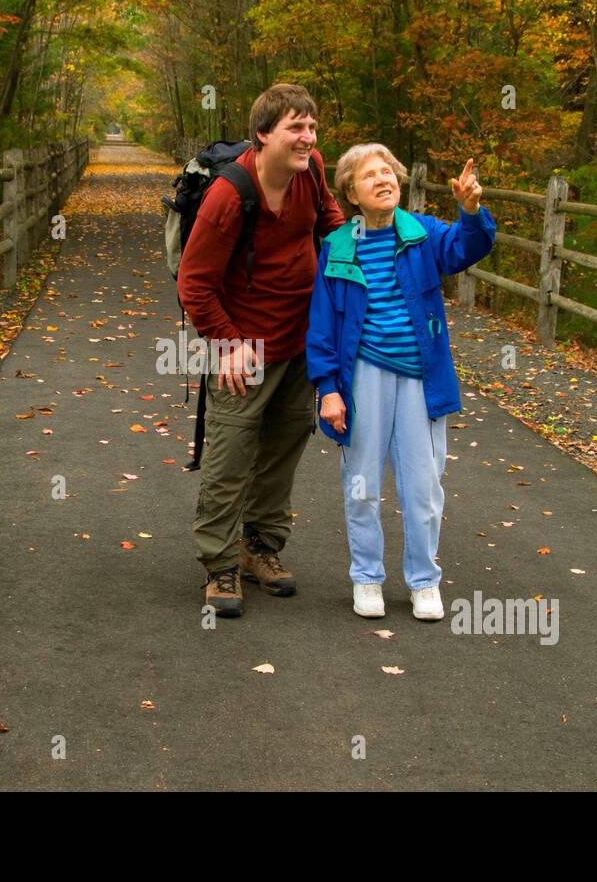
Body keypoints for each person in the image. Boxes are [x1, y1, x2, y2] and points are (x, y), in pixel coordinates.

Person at [177, 84, 346, 618]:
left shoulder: (312, 170)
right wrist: (226, 344)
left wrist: (363, 268)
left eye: (312, 128)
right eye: (296, 128)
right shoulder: (230, 195)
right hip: (243, 344)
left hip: (302, 339)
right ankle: (219, 564)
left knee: (282, 446)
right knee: (230, 455)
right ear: (264, 134)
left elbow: (331, 227)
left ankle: (260, 549)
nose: (308, 138)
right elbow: (194, 283)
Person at [307, 144, 495, 620]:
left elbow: (468, 247)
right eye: (369, 175)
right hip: (362, 376)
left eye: (387, 171)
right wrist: (328, 388)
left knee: (423, 486)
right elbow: (323, 325)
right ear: (351, 191)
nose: (383, 179)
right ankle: (367, 577)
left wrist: (471, 211)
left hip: (420, 378)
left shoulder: (422, 233)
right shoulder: (337, 247)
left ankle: (424, 581)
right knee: (363, 483)